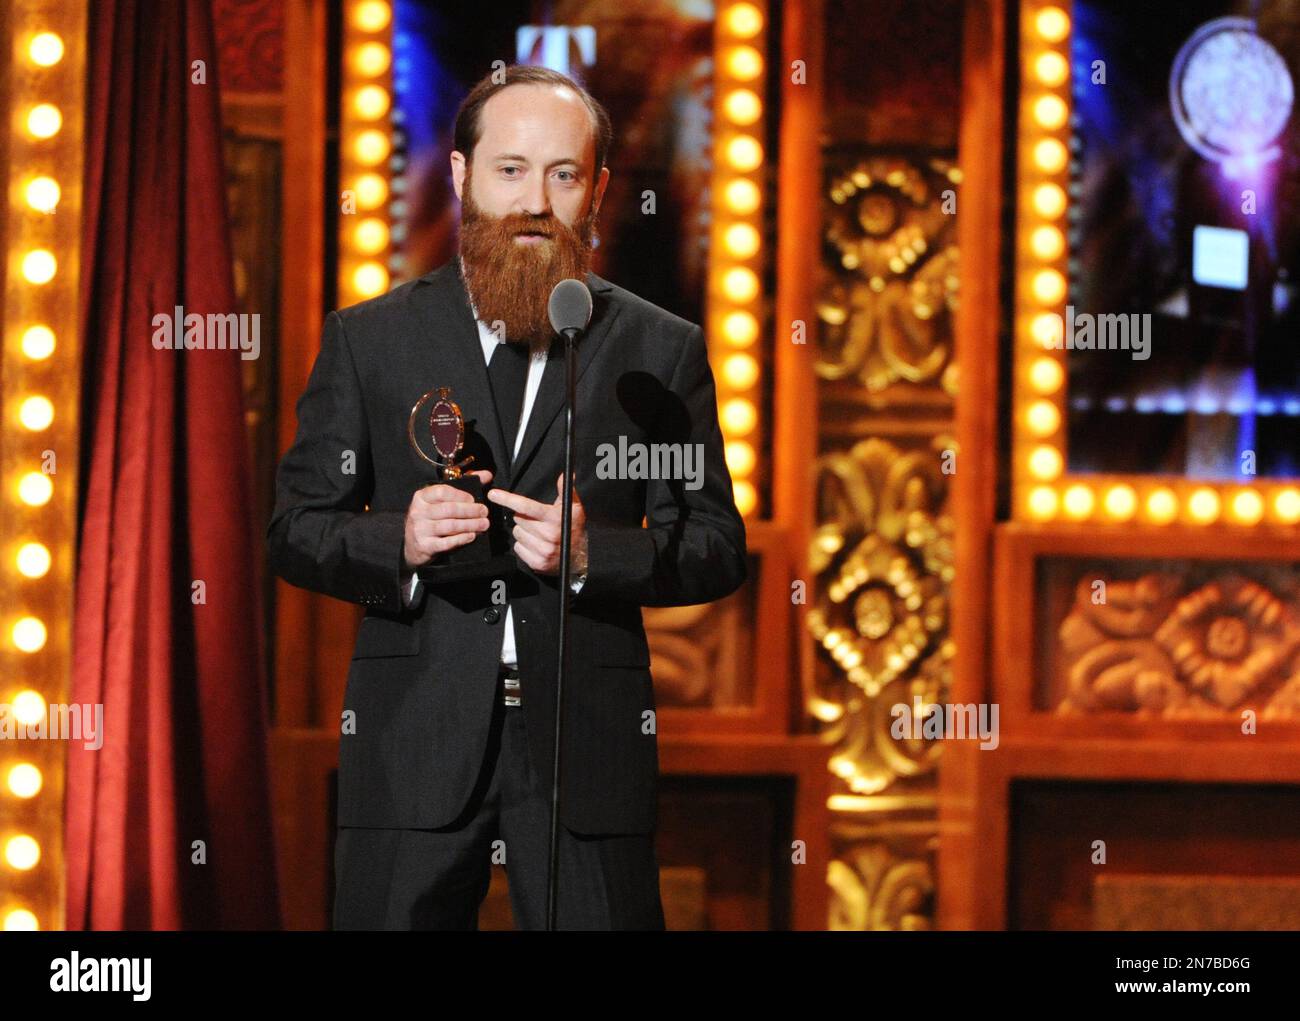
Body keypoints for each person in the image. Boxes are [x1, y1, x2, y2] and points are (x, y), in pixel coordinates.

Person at [267, 64, 747, 930]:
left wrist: (595, 553)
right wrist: (399, 542)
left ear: (597, 191)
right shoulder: (371, 339)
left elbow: (713, 540)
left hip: (586, 751)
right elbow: (296, 527)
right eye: (510, 169)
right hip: (411, 740)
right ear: (461, 176)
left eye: (563, 175)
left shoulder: (659, 349)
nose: (535, 199)